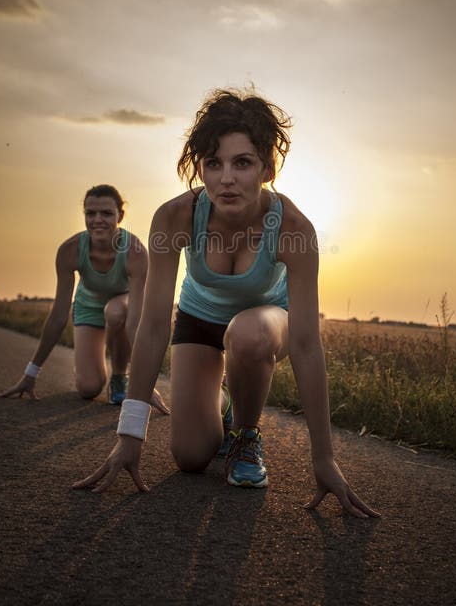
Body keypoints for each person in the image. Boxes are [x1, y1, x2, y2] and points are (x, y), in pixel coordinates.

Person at [73, 92, 378, 515]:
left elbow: (307, 345)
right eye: (213, 163)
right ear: (200, 167)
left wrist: (323, 460)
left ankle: (246, 437)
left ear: (267, 168)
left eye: (242, 162)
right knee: (191, 457)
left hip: (267, 325)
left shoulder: (294, 227)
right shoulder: (174, 216)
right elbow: (155, 324)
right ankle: (223, 399)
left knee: (249, 334)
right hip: (199, 320)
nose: (226, 178)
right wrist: (129, 435)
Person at [0, 183, 168, 412]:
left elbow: (135, 323)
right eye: (91, 213)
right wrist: (31, 373)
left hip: (123, 305)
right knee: (88, 388)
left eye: (106, 213)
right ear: (84, 215)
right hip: (88, 306)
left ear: (120, 215)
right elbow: (58, 315)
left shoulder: (135, 253)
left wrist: (145, 383)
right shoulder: (69, 250)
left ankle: (119, 377)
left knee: (116, 311)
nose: (97, 219)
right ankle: (88, 365)